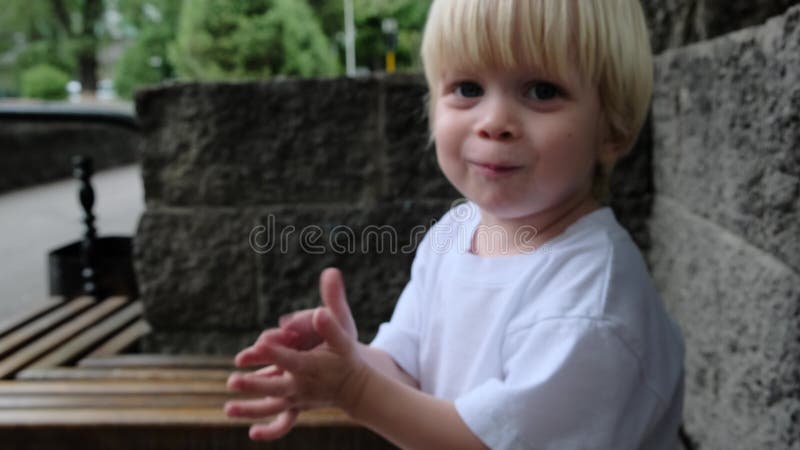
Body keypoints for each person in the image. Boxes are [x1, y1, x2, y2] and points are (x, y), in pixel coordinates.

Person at [224, 0, 685, 448]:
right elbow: (407, 370)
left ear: (613, 128)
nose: (494, 121)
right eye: (467, 88)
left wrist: (355, 391)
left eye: (542, 90)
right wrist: (348, 360)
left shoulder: (589, 306)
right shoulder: (456, 232)